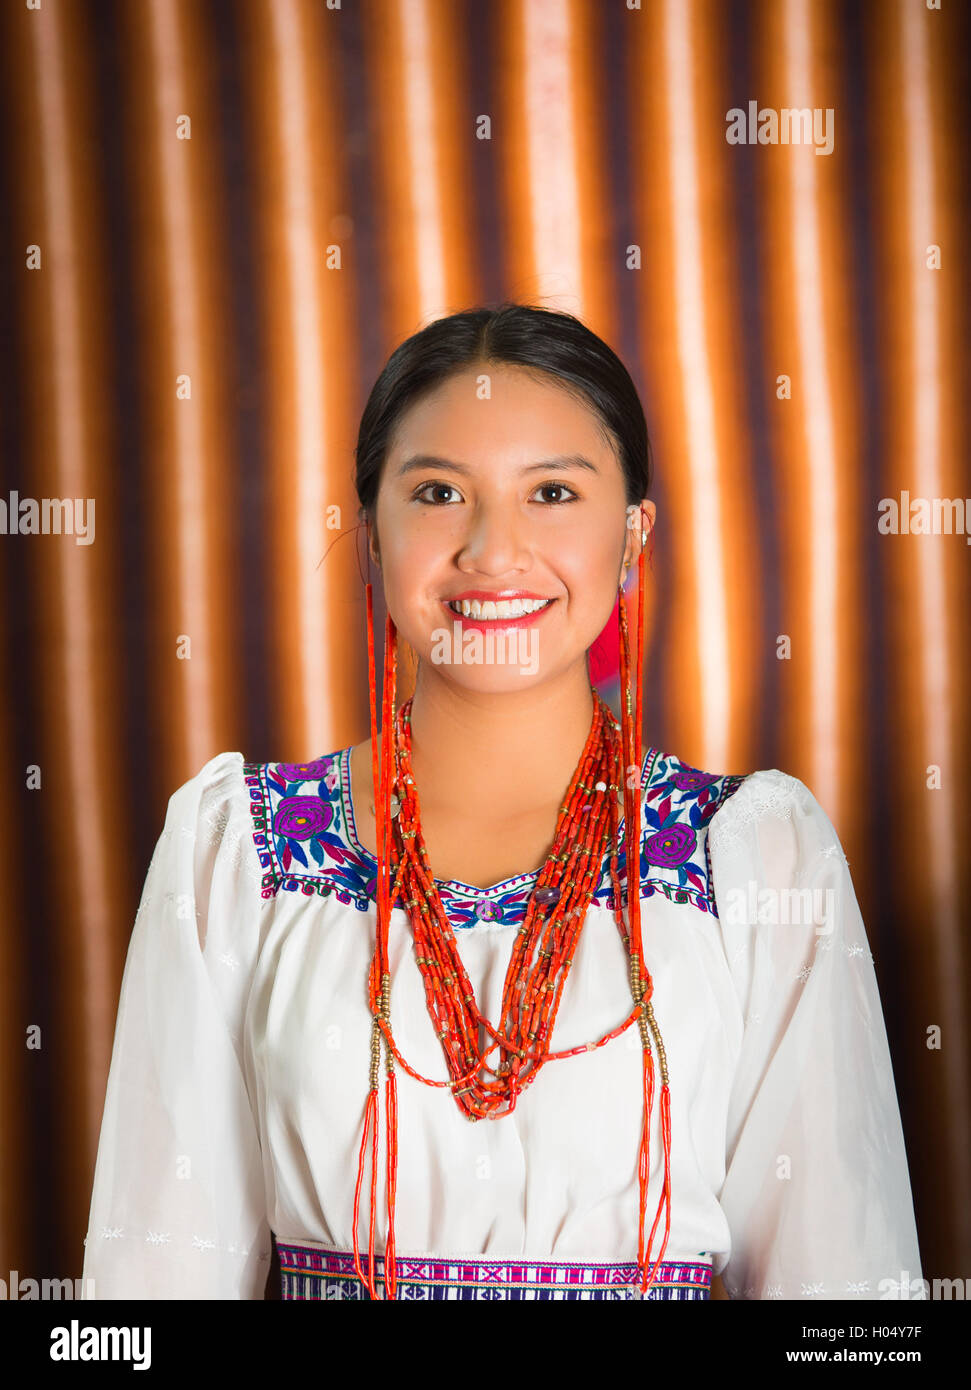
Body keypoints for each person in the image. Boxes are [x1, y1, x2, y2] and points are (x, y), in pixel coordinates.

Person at [81, 303, 922, 1301]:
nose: (491, 549)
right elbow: (149, 1283)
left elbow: (841, 1293)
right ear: (370, 532)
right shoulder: (237, 853)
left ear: (632, 533)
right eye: (437, 491)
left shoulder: (752, 856)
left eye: (553, 491)